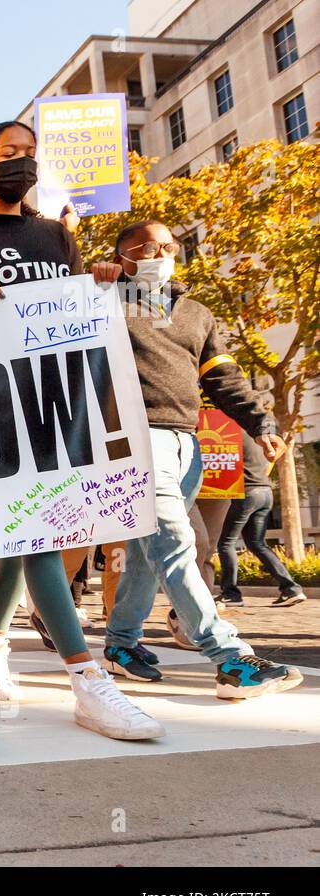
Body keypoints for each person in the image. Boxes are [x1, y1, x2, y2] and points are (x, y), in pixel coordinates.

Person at [0, 121, 164, 740]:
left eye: (31, 155)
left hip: (57, 400)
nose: (23, 164)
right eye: (10, 155)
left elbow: (76, 309)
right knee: (36, 532)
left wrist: (103, 283)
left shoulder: (56, 235)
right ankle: (87, 680)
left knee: (24, 532)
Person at [102, 220, 303, 699]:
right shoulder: (101, 302)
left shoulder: (197, 314)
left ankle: (120, 644)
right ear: (123, 255)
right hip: (133, 440)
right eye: (150, 246)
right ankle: (231, 659)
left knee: (147, 558)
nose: (163, 252)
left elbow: (225, 379)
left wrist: (264, 425)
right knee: (176, 542)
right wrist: (91, 279)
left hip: (186, 445)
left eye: (169, 246)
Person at [217, 410, 305, 608]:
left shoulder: (232, 432)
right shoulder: (261, 438)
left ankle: (231, 593)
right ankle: (291, 588)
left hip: (246, 493)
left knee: (226, 543)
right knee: (257, 543)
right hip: (265, 491)